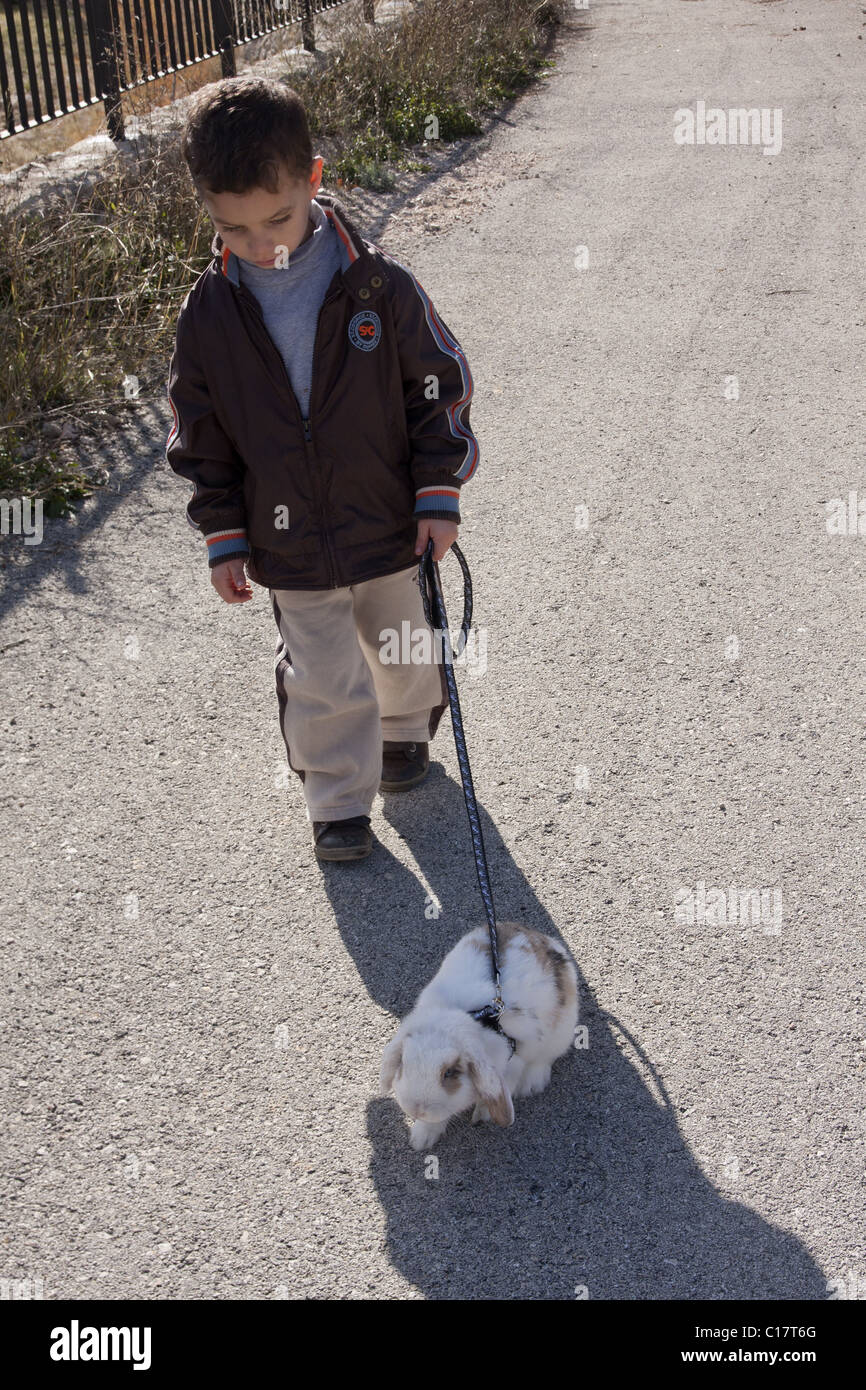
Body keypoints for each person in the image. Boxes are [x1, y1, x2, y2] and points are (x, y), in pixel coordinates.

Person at [165, 77, 478, 862]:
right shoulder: (209, 316)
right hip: (289, 542)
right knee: (323, 673)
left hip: (388, 518)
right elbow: (200, 436)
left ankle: (404, 734)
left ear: (314, 179)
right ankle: (338, 802)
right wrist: (225, 534)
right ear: (207, 207)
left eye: (277, 217)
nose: (260, 241)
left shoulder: (377, 285)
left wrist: (438, 492)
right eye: (232, 227)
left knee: (402, 646)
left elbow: (438, 384)